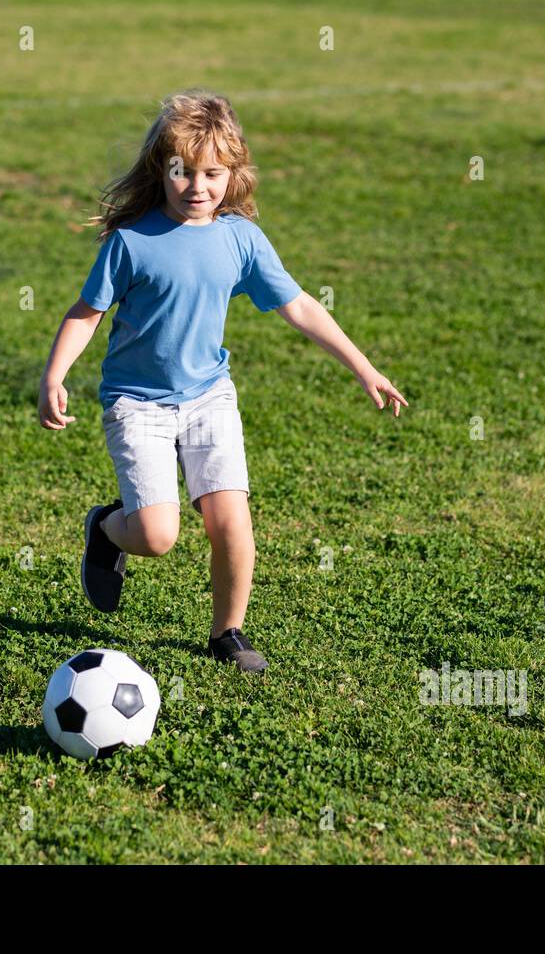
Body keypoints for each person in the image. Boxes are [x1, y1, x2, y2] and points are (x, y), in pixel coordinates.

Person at [38, 89, 408, 672]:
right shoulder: (131, 241)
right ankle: (108, 531)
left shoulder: (240, 239)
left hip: (209, 396)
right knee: (158, 536)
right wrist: (54, 374)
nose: (197, 187)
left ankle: (227, 633)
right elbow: (88, 312)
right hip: (139, 404)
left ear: (233, 174)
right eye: (183, 172)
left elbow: (300, 306)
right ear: (162, 170)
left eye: (213, 173)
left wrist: (365, 367)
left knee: (231, 522)